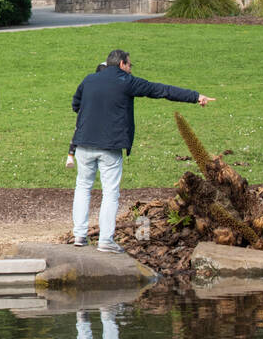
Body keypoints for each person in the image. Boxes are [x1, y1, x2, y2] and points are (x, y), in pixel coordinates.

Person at [70, 49, 214, 253]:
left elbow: (76, 105)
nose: (130, 69)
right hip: (110, 146)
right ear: (121, 64)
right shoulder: (126, 81)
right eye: (129, 65)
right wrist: (195, 96)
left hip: (83, 144)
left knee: (83, 187)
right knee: (110, 192)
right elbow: (160, 90)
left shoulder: (89, 80)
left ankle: (79, 235)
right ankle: (105, 240)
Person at [65, 61, 107, 168]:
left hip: (85, 116)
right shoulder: (110, 87)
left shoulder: (88, 82)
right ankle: (70, 156)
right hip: (101, 124)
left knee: (78, 131)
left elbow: (76, 101)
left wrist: (79, 111)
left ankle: (70, 155)